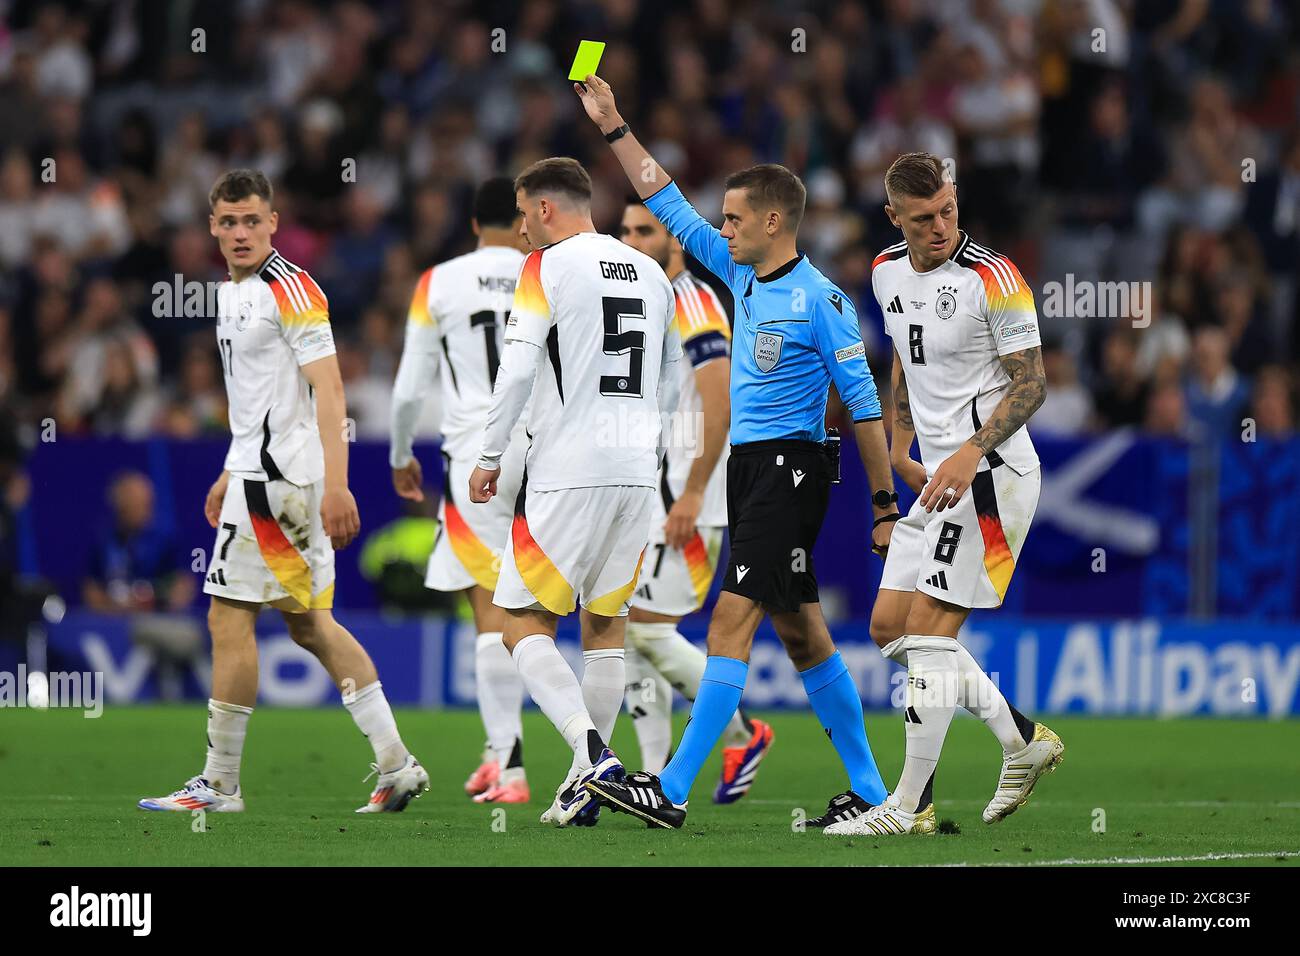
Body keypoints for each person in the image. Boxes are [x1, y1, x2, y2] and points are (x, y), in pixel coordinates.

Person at [575, 75, 897, 830]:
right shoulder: (745, 273)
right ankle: (874, 793)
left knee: (727, 624)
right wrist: (616, 125)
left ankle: (674, 788)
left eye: (734, 219)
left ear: (774, 220)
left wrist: (884, 506)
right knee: (802, 633)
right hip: (755, 470)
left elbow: (865, 407)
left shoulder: (822, 301)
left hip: (791, 468)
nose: (721, 231)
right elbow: (667, 202)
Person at [139, 169, 427, 814]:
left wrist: (340, 485)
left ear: (273, 222)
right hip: (258, 473)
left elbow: (328, 387)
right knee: (309, 624)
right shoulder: (229, 294)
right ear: (212, 227)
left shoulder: (292, 288)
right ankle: (396, 763)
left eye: (251, 220)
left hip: (280, 484)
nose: (240, 233)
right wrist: (227, 470)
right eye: (228, 222)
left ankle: (220, 784)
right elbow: (260, 400)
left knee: (227, 616)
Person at [826, 151, 1063, 837]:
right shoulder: (883, 270)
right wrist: (901, 443)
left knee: (929, 637)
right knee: (888, 629)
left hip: (993, 476)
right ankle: (1020, 739)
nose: (940, 227)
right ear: (893, 216)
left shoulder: (995, 277)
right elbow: (904, 348)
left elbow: (1032, 383)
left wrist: (967, 450)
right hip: (938, 478)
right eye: (923, 218)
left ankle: (908, 808)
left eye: (948, 211)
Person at [466, 157, 682, 827]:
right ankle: (578, 792)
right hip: (637, 471)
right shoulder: (652, 272)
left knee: (519, 624)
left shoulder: (547, 267)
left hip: (569, 468)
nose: (522, 230)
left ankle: (595, 759)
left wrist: (490, 454)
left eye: (525, 215)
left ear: (547, 210)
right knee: (604, 629)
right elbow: (671, 382)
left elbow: (519, 369)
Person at [617, 198, 775, 803]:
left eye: (644, 230)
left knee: (650, 632)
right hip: (652, 497)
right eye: (624, 230)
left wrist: (693, 491)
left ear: (674, 243)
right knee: (627, 628)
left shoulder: (694, 302)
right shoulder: (648, 302)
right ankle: (654, 772)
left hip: (691, 501)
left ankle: (743, 732)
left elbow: (719, 401)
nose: (630, 240)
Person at [390, 176, 534, 804]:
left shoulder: (439, 281)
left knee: (488, 608)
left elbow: (406, 390)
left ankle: (510, 762)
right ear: (524, 220)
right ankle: (501, 754)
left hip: (479, 452)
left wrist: (400, 455)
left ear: (474, 222)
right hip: (549, 449)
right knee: (546, 604)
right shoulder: (546, 272)